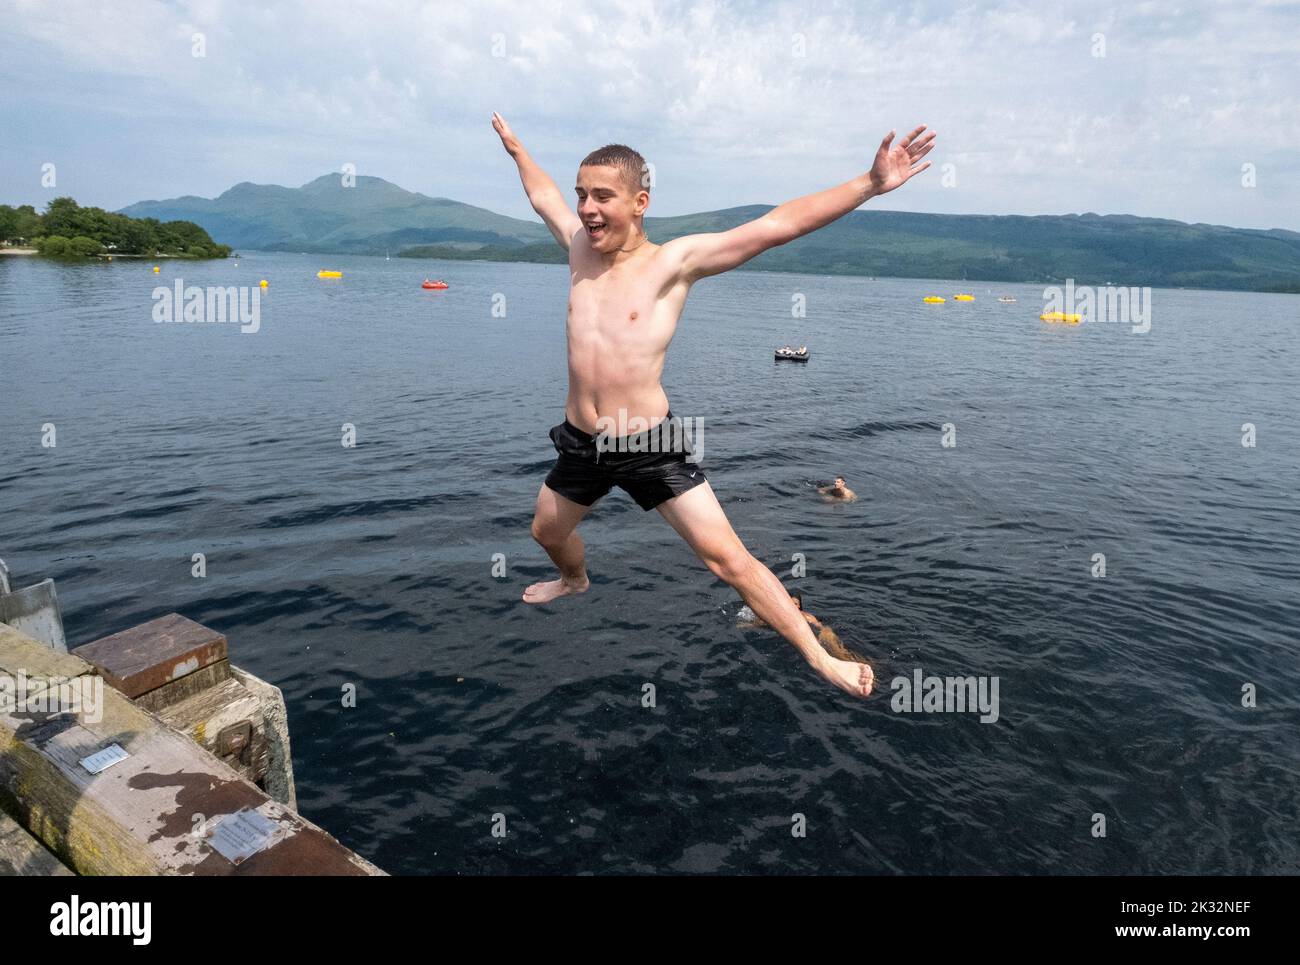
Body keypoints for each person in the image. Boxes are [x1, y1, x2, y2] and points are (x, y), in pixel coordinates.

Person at [491, 110, 935, 699]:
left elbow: (776, 225)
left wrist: (869, 184)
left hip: (646, 443)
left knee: (729, 561)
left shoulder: (674, 262)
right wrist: (519, 151)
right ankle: (574, 578)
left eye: (603, 196)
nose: (587, 208)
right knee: (546, 531)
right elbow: (543, 196)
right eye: (583, 195)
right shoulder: (577, 248)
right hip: (580, 441)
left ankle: (817, 656)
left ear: (640, 200)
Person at [737, 591, 868, 666]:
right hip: (800, 636)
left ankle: (855, 661)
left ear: (799, 606)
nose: (791, 606)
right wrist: (747, 625)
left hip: (818, 633)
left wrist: (825, 634)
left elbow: (820, 627)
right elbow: (761, 622)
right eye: (788, 602)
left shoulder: (805, 615)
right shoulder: (780, 615)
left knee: (839, 652)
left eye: (795, 603)